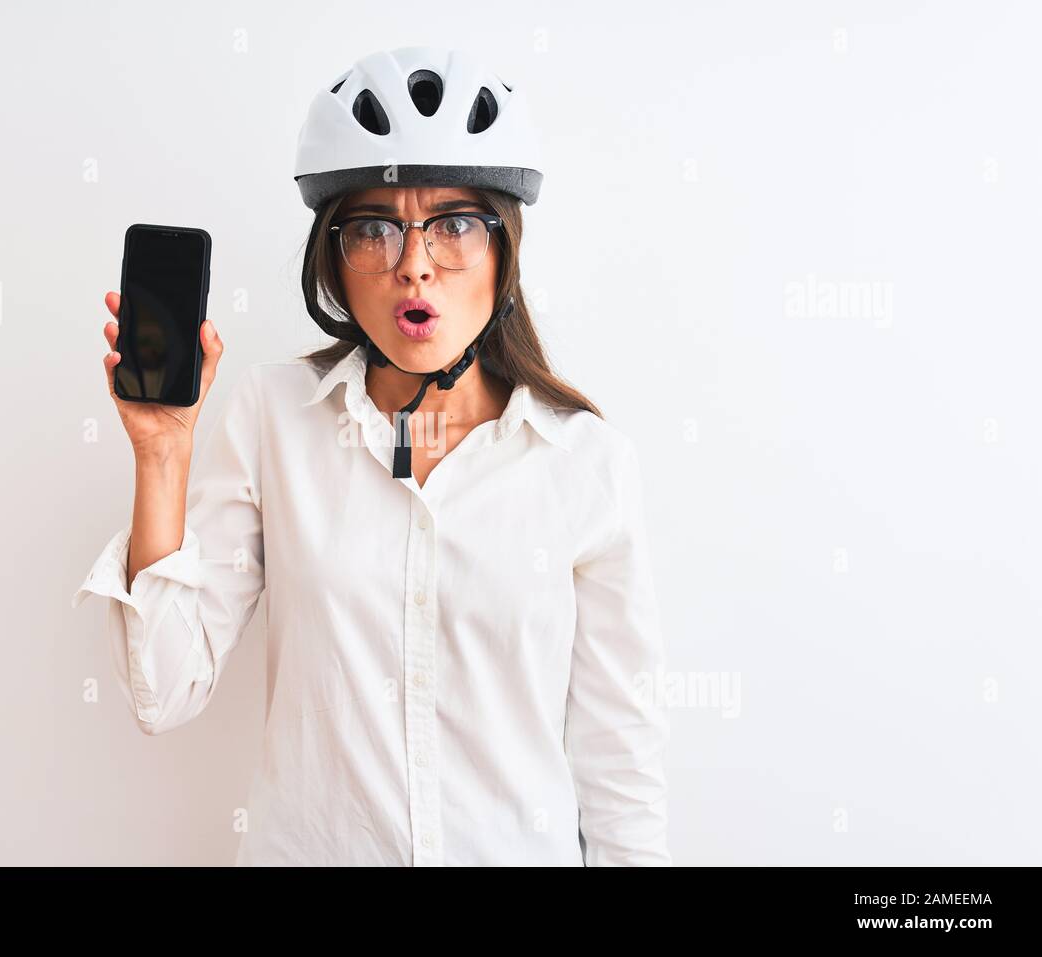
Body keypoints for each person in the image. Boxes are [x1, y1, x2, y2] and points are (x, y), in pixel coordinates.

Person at [74, 46, 672, 866]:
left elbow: (621, 758)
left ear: (505, 252)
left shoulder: (585, 461)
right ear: (334, 256)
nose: (413, 263)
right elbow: (163, 689)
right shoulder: (271, 417)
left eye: (456, 224)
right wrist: (163, 455)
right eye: (375, 229)